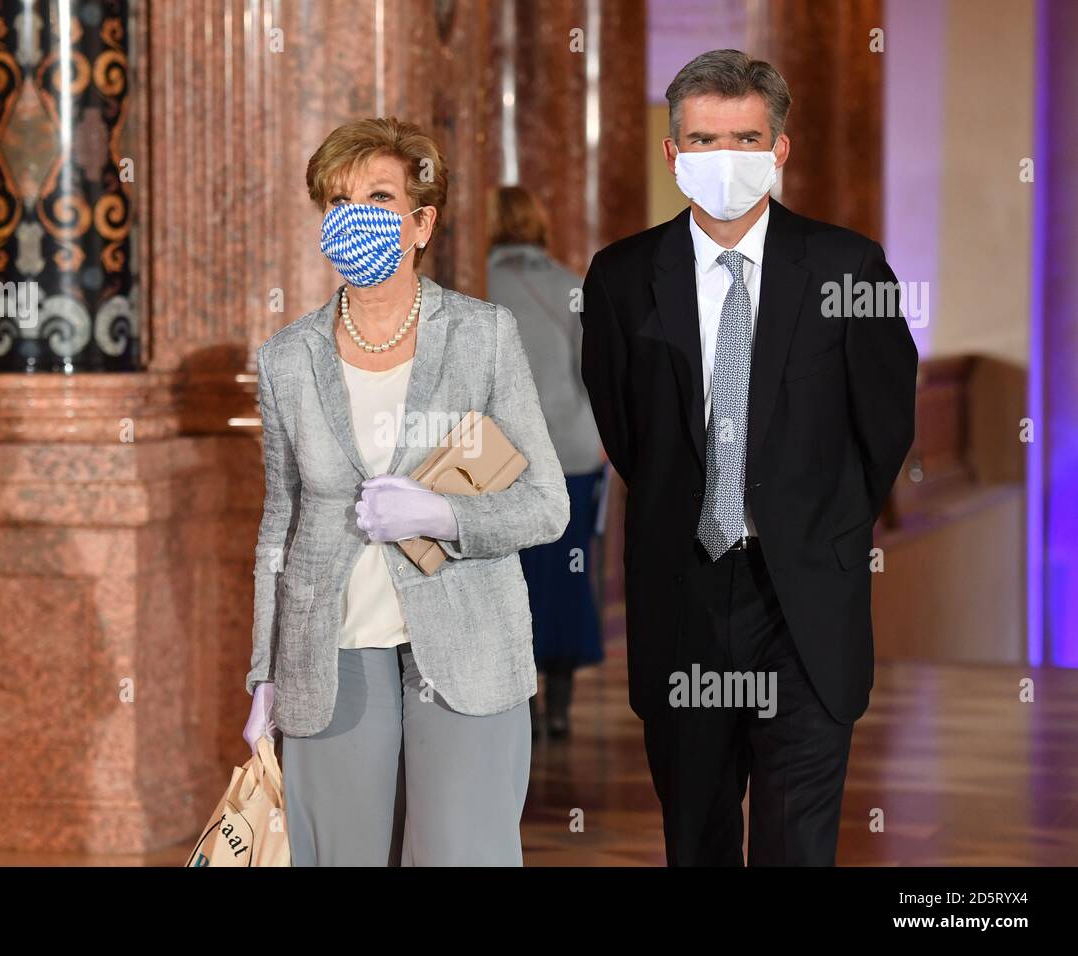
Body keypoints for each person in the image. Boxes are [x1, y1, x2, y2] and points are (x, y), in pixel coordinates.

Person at [580, 50, 917, 865]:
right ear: (672, 154)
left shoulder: (847, 266)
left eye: (744, 136)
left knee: (795, 842)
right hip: (684, 592)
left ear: (780, 149)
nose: (722, 156)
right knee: (695, 838)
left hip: (803, 596)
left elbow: (885, 426)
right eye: (702, 139)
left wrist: (819, 528)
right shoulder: (622, 277)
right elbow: (630, 433)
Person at [241, 117, 570, 866]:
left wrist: (444, 514)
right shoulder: (287, 359)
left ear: (422, 223)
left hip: (467, 641)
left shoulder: (483, 336)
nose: (353, 215)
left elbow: (547, 503)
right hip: (333, 649)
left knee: (462, 854)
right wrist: (264, 673)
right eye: (338, 199)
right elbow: (278, 527)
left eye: (378, 196)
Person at [486, 186, 605, 739]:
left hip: (494, 461)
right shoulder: (569, 285)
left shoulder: (470, 286)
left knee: (510, 579)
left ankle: (521, 705)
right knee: (569, 572)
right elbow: (596, 374)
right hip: (570, 454)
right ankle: (560, 705)